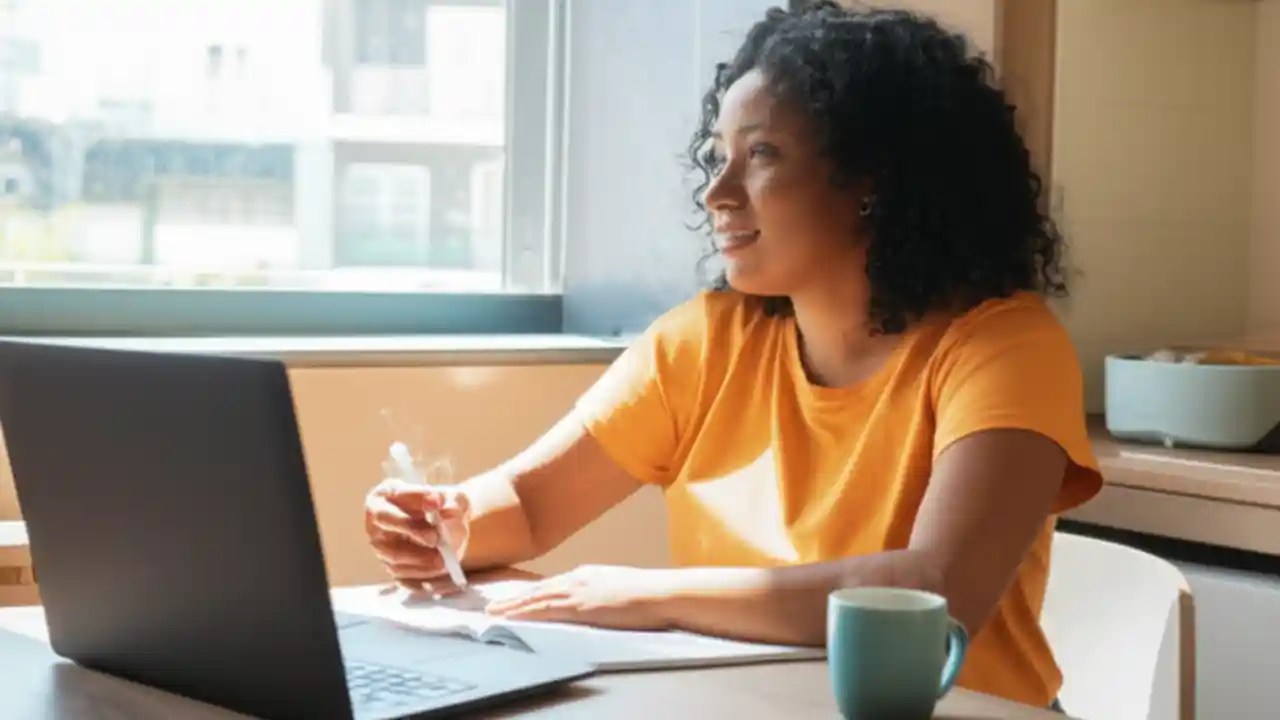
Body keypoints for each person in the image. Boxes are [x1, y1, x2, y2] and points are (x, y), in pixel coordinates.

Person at [363, 1, 1101, 710]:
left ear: (872, 178)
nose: (718, 191)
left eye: (762, 155)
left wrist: (649, 597)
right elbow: (526, 505)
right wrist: (444, 523)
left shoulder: (1004, 348)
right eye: (719, 158)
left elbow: (935, 589)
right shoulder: (707, 341)